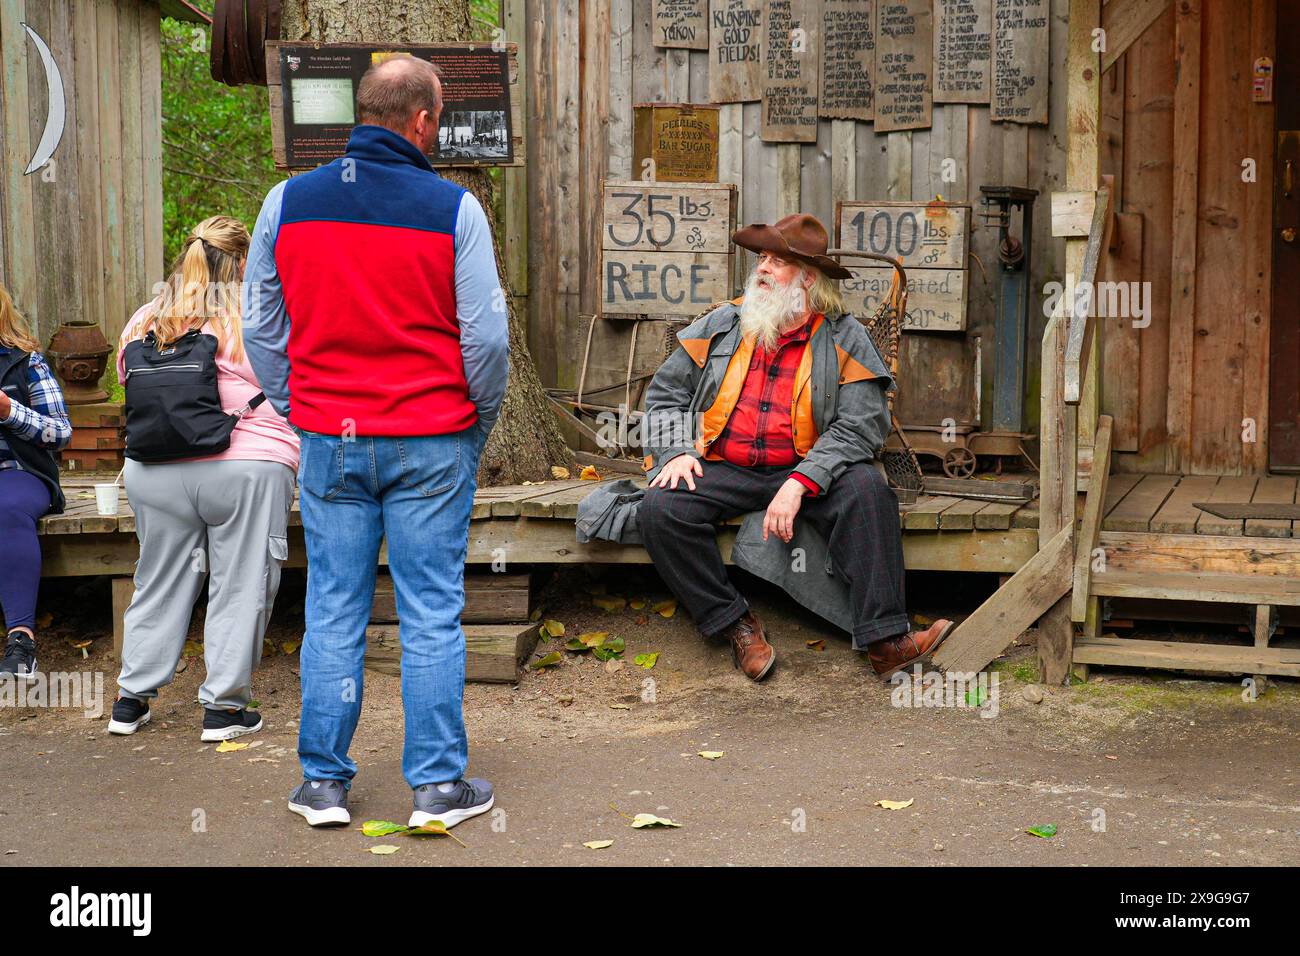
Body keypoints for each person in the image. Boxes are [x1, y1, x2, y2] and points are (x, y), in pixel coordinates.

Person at [243, 55, 509, 829]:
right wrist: (475, 415)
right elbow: (486, 340)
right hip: (431, 436)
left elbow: (261, 328)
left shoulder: (285, 203)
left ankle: (323, 785)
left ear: (359, 114)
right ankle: (435, 788)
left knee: (333, 610)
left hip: (331, 436)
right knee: (430, 611)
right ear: (423, 120)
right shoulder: (454, 209)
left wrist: (302, 408)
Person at [637, 213, 953, 682]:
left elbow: (863, 423)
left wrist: (801, 481)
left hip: (808, 469)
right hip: (726, 465)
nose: (762, 268)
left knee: (868, 489)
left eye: (777, 261)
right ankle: (733, 622)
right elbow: (665, 396)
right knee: (659, 509)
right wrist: (677, 451)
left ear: (807, 277)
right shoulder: (723, 324)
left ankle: (886, 642)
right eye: (761, 257)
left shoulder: (846, 336)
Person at [108, 216, 300, 741]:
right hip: (245, 467)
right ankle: (223, 710)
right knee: (241, 583)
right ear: (242, 263)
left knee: (159, 578)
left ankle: (131, 700)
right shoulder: (255, 316)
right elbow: (293, 381)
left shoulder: (143, 320)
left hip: (153, 469)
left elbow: (129, 381)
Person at [0, 282, 70, 680]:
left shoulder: (25, 361)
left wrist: (10, 410)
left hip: (17, 473)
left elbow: (61, 433)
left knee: (5, 508)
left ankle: (21, 642)